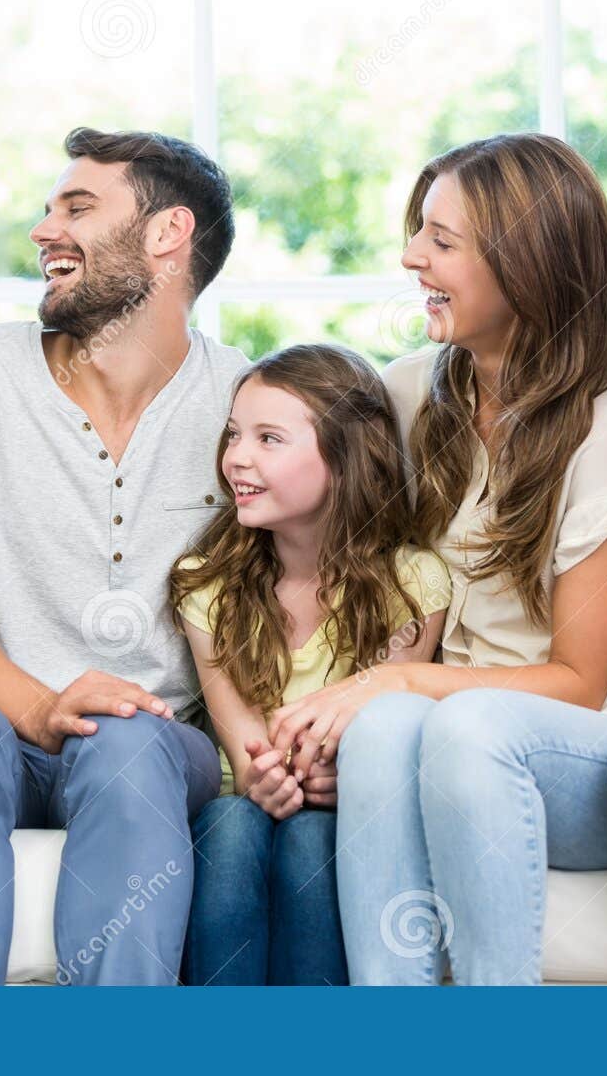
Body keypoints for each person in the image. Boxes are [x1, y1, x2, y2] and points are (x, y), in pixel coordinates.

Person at [0, 127, 247, 985]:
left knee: (129, 737)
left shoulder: (241, 399)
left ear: (167, 235)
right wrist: (40, 709)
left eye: (77, 207)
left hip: (148, 741)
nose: (44, 230)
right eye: (48, 210)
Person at [292, 133, 607, 984]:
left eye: (442, 241)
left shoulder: (605, 421)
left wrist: (402, 681)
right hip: (439, 733)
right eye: (420, 232)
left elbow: (578, 680)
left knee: (447, 719)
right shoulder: (413, 389)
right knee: (385, 725)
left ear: (524, 263)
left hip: (584, 752)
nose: (410, 255)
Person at [172, 344, 449, 986]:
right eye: (234, 435)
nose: (237, 457)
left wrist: (336, 778)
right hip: (237, 799)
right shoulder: (205, 585)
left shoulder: (411, 585)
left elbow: (377, 734)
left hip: (339, 810)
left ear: (347, 460)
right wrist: (263, 776)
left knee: (311, 842)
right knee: (234, 825)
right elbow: (243, 750)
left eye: (269, 438)